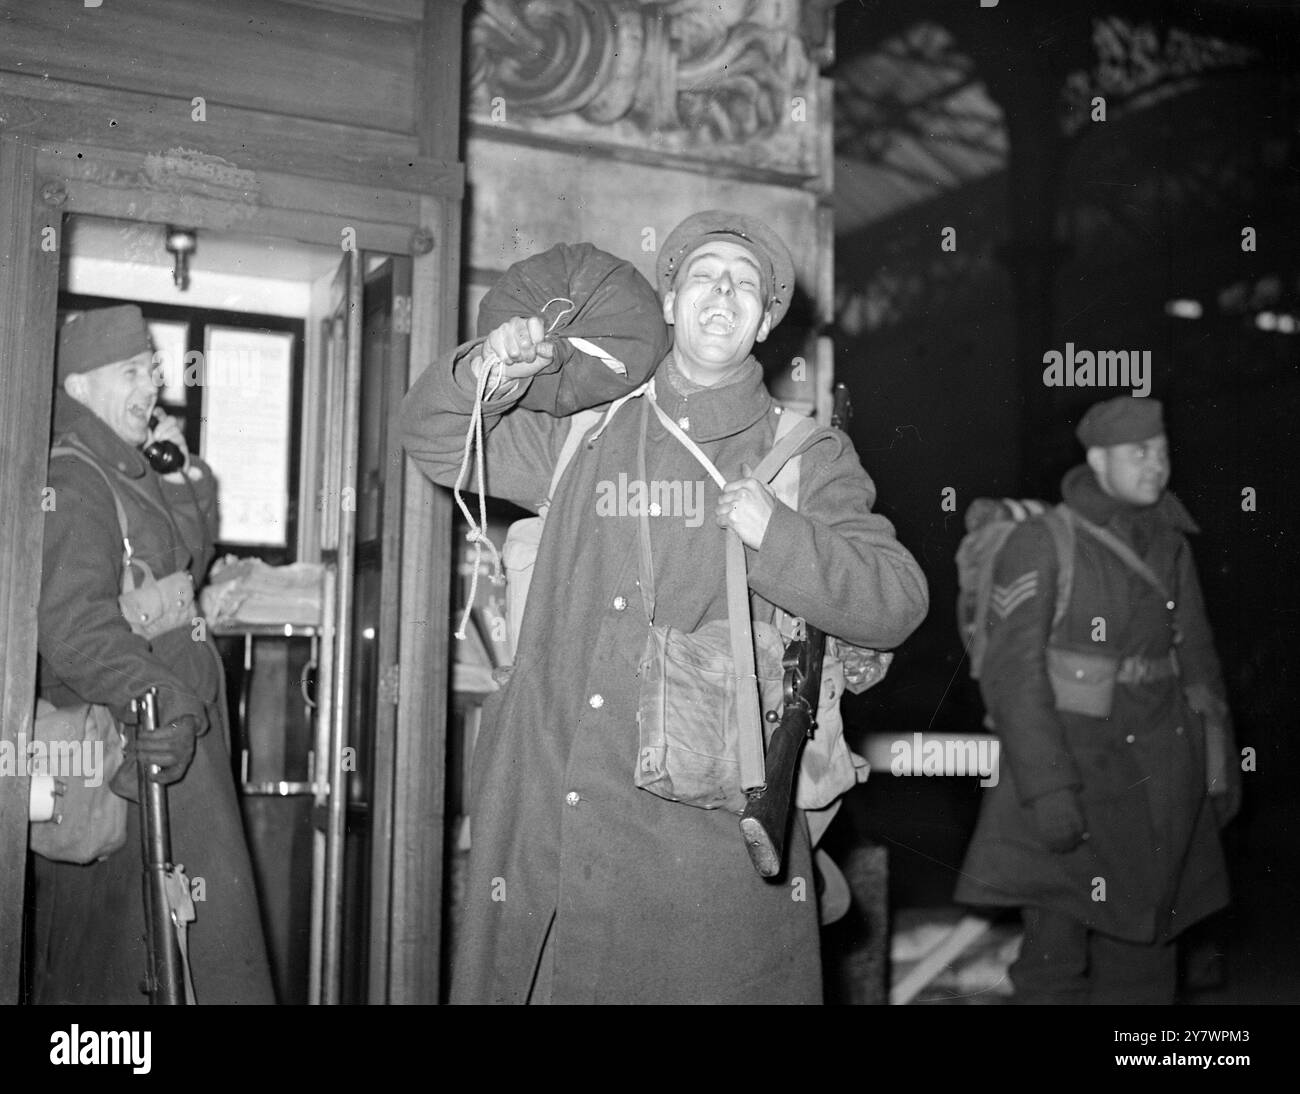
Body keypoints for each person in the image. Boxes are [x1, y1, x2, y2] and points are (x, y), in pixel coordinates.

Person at [399, 211, 929, 1003]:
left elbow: (897, 600)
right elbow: (437, 442)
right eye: (705, 275)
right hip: (555, 818)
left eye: (746, 285)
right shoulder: (585, 426)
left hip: (701, 847)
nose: (724, 291)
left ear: (764, 323)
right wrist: (491, 370)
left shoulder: (805, 456)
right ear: (671, 302)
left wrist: (776, 535)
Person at [956, 395, 1238, 1004]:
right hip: (1072, 771)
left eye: (1161, 451)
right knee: (1054, 962)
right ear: (1098, 459)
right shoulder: (1043, 540)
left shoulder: (1169, 540)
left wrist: (1219, 764)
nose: (1156, 464)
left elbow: (1199, 666)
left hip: (1158, 778)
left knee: (1146, 957)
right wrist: (1048, 790)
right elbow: (1014, 676)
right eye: (1139, 452)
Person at [30, 304, 274, 1004]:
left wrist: (181, 476)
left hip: (173, 722)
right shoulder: (75, 480)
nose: (153, 385)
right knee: (139, 955)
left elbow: (184, 565)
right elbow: (74, 625)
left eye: (154, 369)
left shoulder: (122, 465)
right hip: (138, 735)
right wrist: (157, 696)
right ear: (79, 387)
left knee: (191, 942)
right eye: (132, 371)